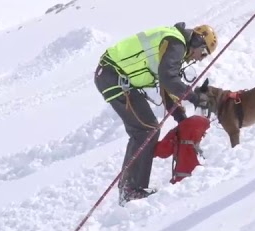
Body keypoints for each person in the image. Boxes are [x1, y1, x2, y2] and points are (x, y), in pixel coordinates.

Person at [92, 21, 217, 203]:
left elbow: (165, 86)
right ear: (198, 41)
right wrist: (195, 98)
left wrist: (180, 117)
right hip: (113, 77)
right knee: (146, 129)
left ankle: (131, 187)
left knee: (147, 129)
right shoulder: (177, 43)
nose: (200, 58)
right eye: (203, 53)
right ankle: (130, 188)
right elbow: (168, 79)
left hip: (116, 77)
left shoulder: (174, 44)